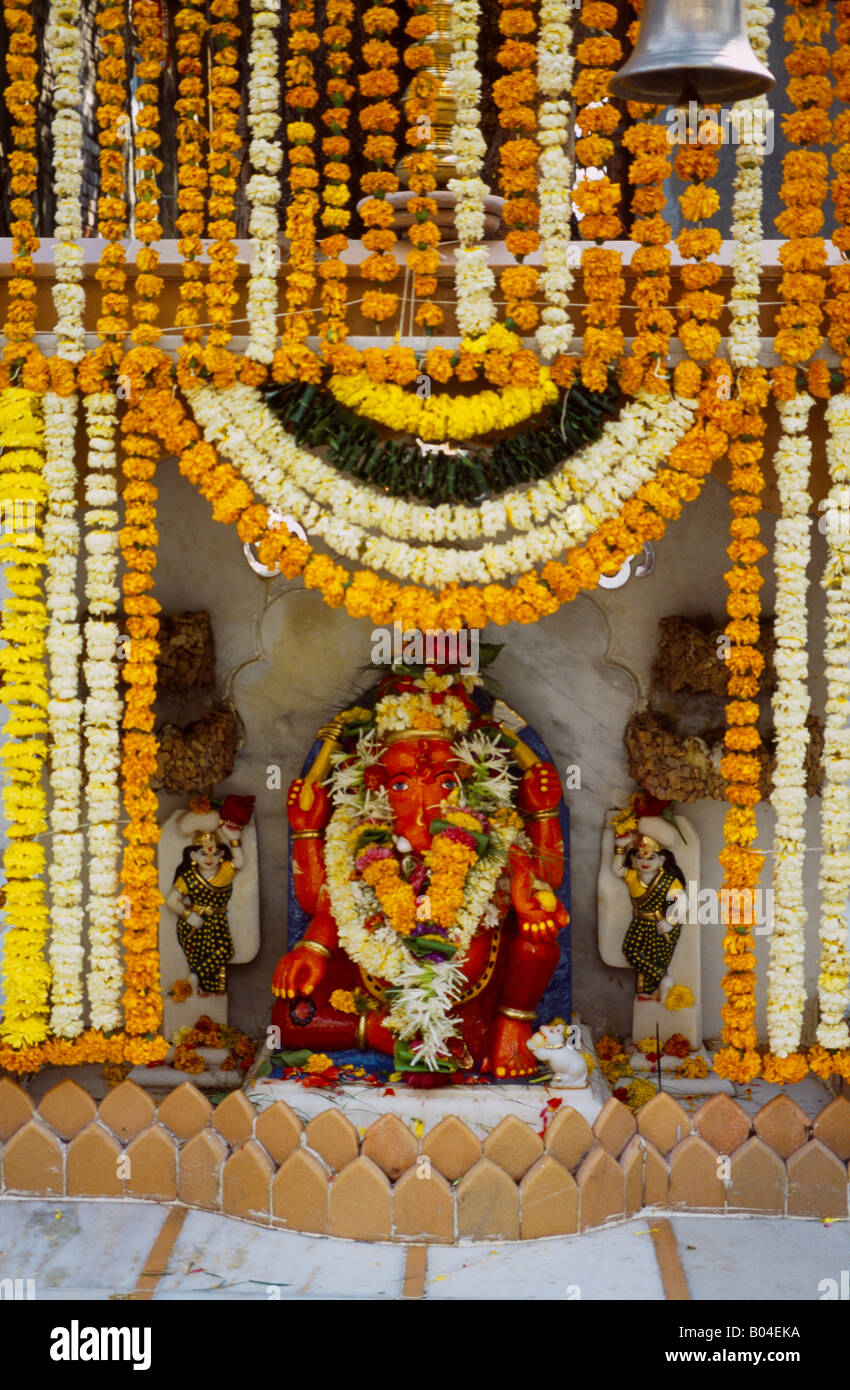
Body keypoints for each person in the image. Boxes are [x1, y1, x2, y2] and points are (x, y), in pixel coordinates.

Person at [167, 825, 244, 995]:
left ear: (221, 855)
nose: (209, 858)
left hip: (218, 923)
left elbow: (239, 861)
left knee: (225, 950)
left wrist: (234, 838)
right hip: (195, 924)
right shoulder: (189, 877)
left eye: (214, 853)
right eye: (203, 853)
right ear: (193, 855)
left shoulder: (225, 872)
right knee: (199, 957)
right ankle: (197, 988)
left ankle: (195, 976)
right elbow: (172, 900)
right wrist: (188, 915)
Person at [612, 830, 686, 1002]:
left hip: (660, 925)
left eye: (651, 858)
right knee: (631, 951)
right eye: (640, 857)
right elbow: (616, 869)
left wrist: (670, 921)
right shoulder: (632, 876)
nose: (644, 862)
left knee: (655, 956)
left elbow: (683, 902)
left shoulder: (668, 881)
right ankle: (662, 977)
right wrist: (620, 848)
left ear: (661, 860)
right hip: (639, 922)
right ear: (633, 859)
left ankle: (652, 992)